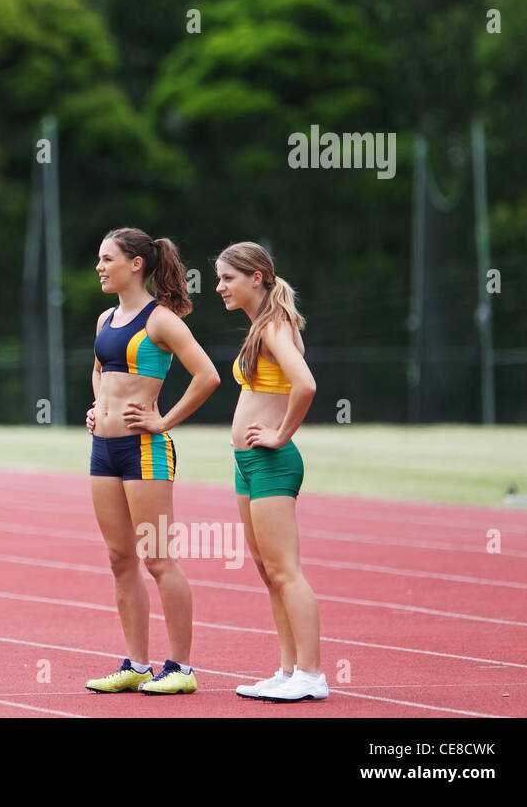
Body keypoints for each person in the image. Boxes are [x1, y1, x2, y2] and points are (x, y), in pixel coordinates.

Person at [82, 227, 220, 695]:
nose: (99, 267)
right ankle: (137, 666)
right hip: (104, 450)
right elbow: (100, 372)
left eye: (107, 259)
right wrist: (97, 406)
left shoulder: (160, 320)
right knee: (120, 559)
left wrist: (166, 421)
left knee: (159, 560)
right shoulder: (105, 319)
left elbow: (207, 375)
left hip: (145, 451)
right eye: (99, 260)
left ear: (135, 264)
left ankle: (180, 668)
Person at [216, 241, 327, 702]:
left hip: (271, 461)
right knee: (267, 570)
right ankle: (288, 670)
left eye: (227, 278)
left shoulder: (275, 327)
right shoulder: (261, 325)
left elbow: (306, 384)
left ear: (255, 278)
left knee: (285, 571)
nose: (219, 286)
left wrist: (281, 434)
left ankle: (312, 675)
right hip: (247, 462)